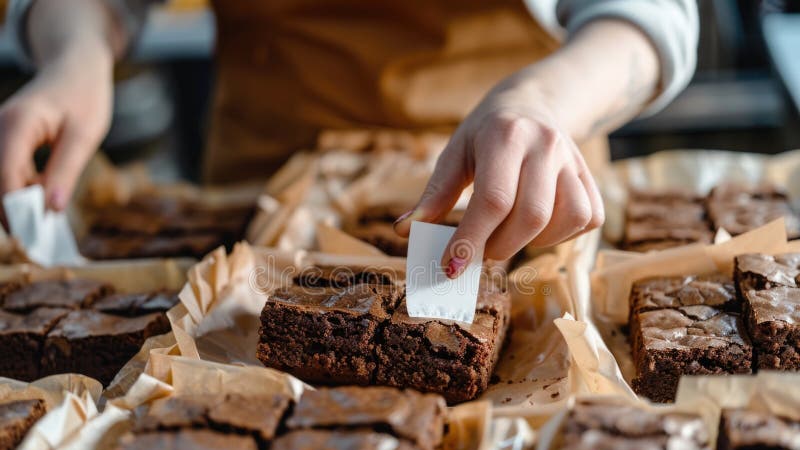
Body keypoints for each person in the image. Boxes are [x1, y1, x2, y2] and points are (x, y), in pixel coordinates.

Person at [0, 0, 698, 277]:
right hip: (260, 186)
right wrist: (77, 53)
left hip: (518, 187)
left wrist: (541, 100)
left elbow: (651, 17)